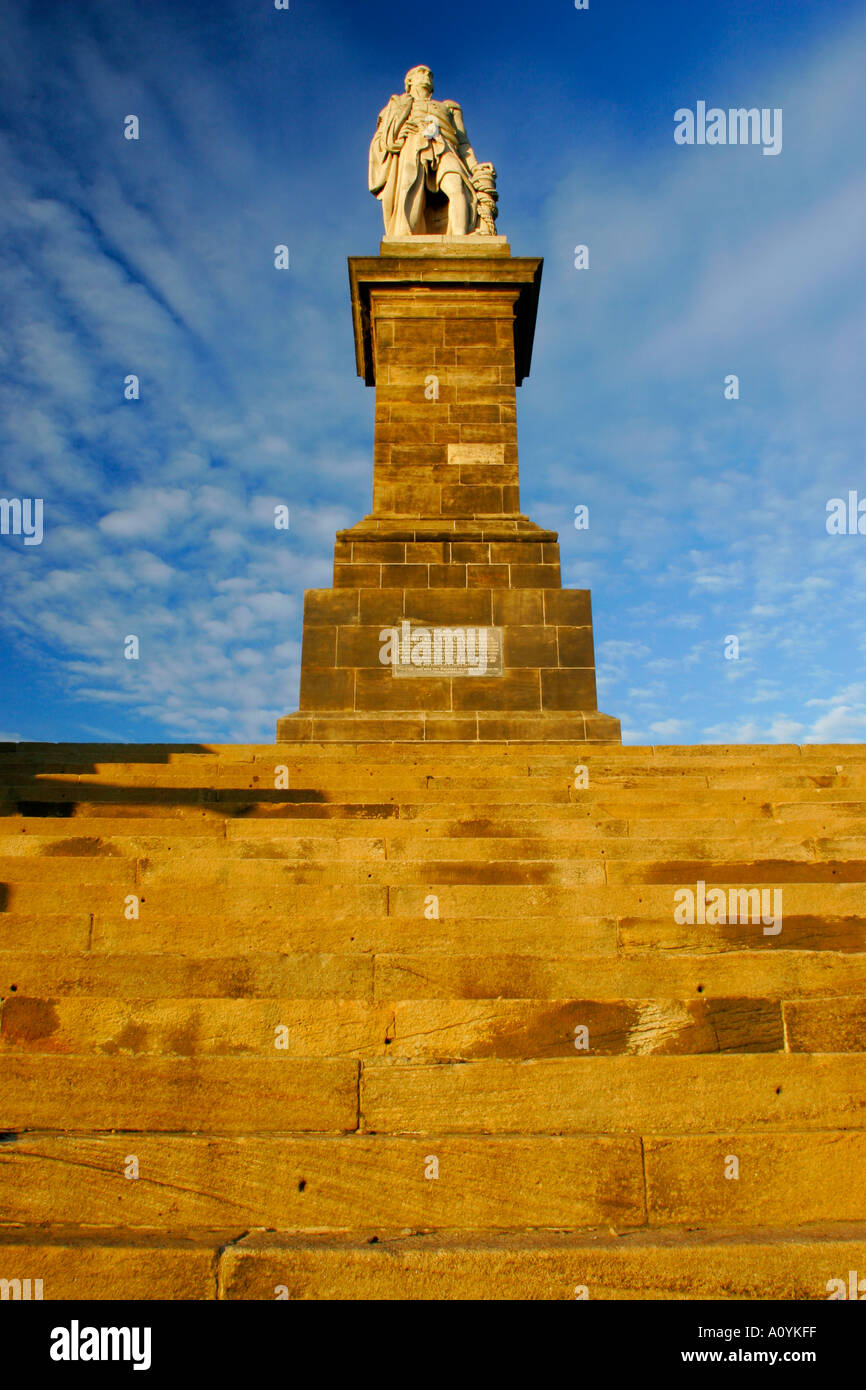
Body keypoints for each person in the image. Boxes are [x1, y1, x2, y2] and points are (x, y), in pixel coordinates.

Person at [369, 65, 484, 236]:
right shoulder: (396, 106)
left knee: (456, 184)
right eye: (422, 72)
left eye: (430, 74)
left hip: (444, 146)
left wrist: (475, 168)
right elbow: (380, 140)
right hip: (412, 145)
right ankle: (406, 236)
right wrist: (397, 136)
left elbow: (463, 144)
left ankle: (460, 242)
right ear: (409, 81)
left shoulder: (449, 108)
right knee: (409, 190)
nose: (427, 76)